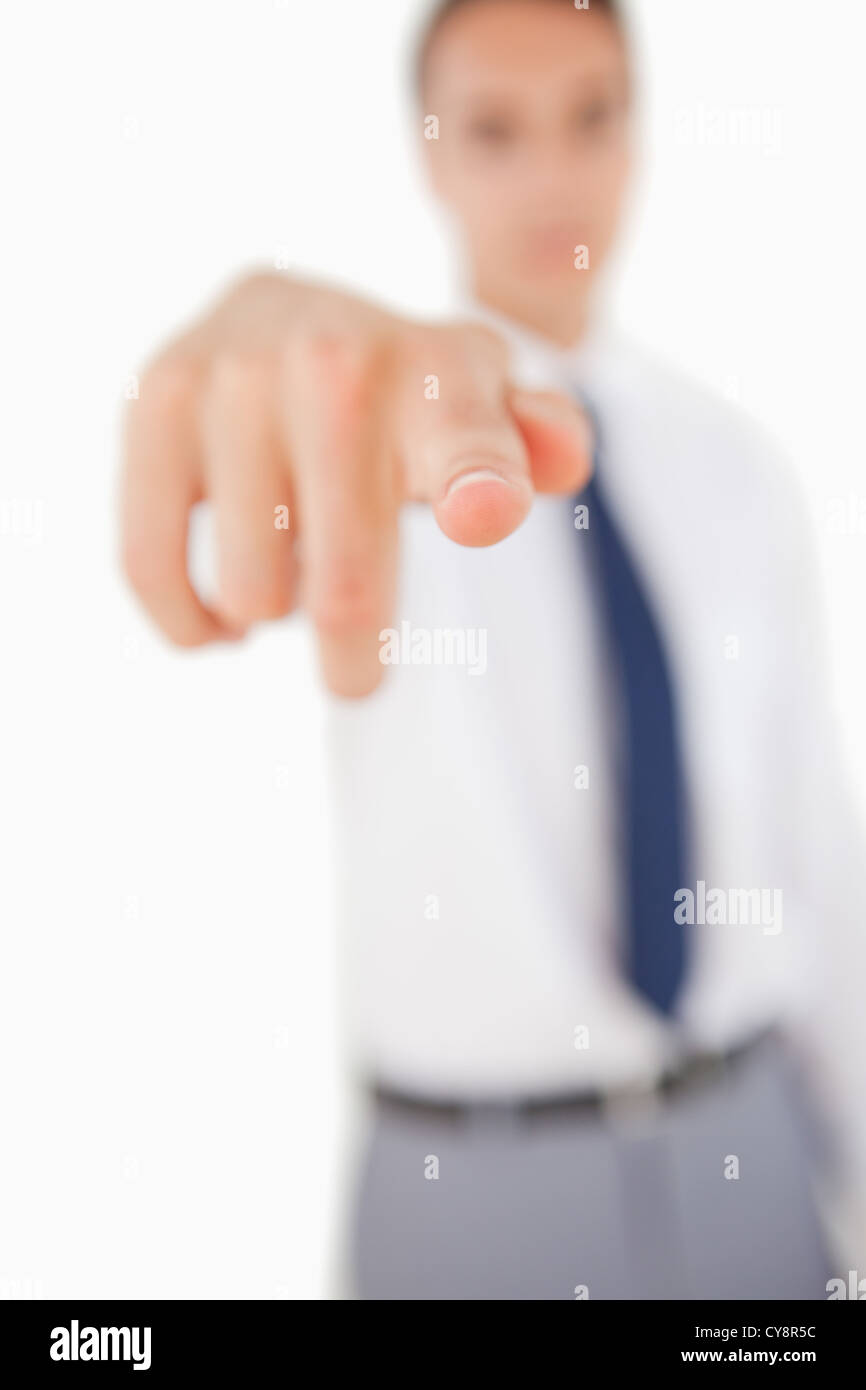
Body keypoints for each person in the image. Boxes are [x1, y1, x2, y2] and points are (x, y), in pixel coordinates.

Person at [120, 0, 866, 1299]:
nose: (550, 175)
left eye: (589, 118)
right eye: (494, 130)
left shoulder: (740, 472)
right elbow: (242, 529)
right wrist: (270, 350)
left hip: (751, 1154)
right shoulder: (379, 444)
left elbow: (814, 849)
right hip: (475, 1198)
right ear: (431, 156)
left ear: (638, 137)